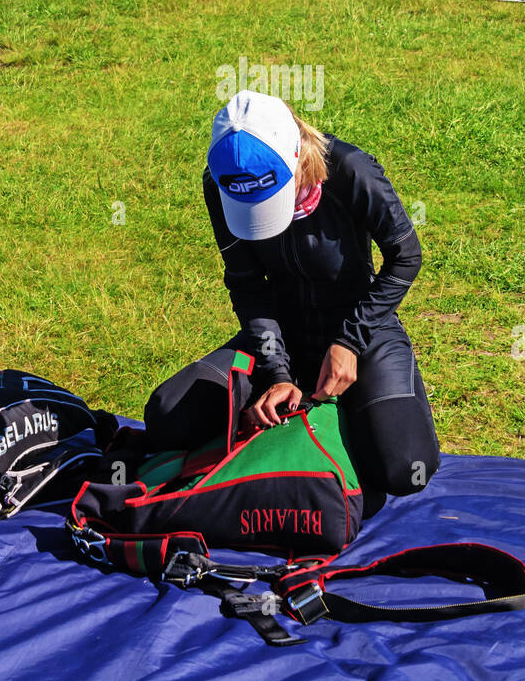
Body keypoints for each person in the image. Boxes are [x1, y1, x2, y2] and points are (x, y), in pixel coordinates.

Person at [144, 91, 441, 505]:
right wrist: (277, 372)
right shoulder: (220, 182)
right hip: (280, 333)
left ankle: (333, 412)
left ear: (296, 154)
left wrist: (350, 342)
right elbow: (247, 285)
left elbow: (405, 256)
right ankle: (298, 399)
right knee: (167, 418)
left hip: (361, 329)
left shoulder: (352, 170)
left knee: (407, 468)